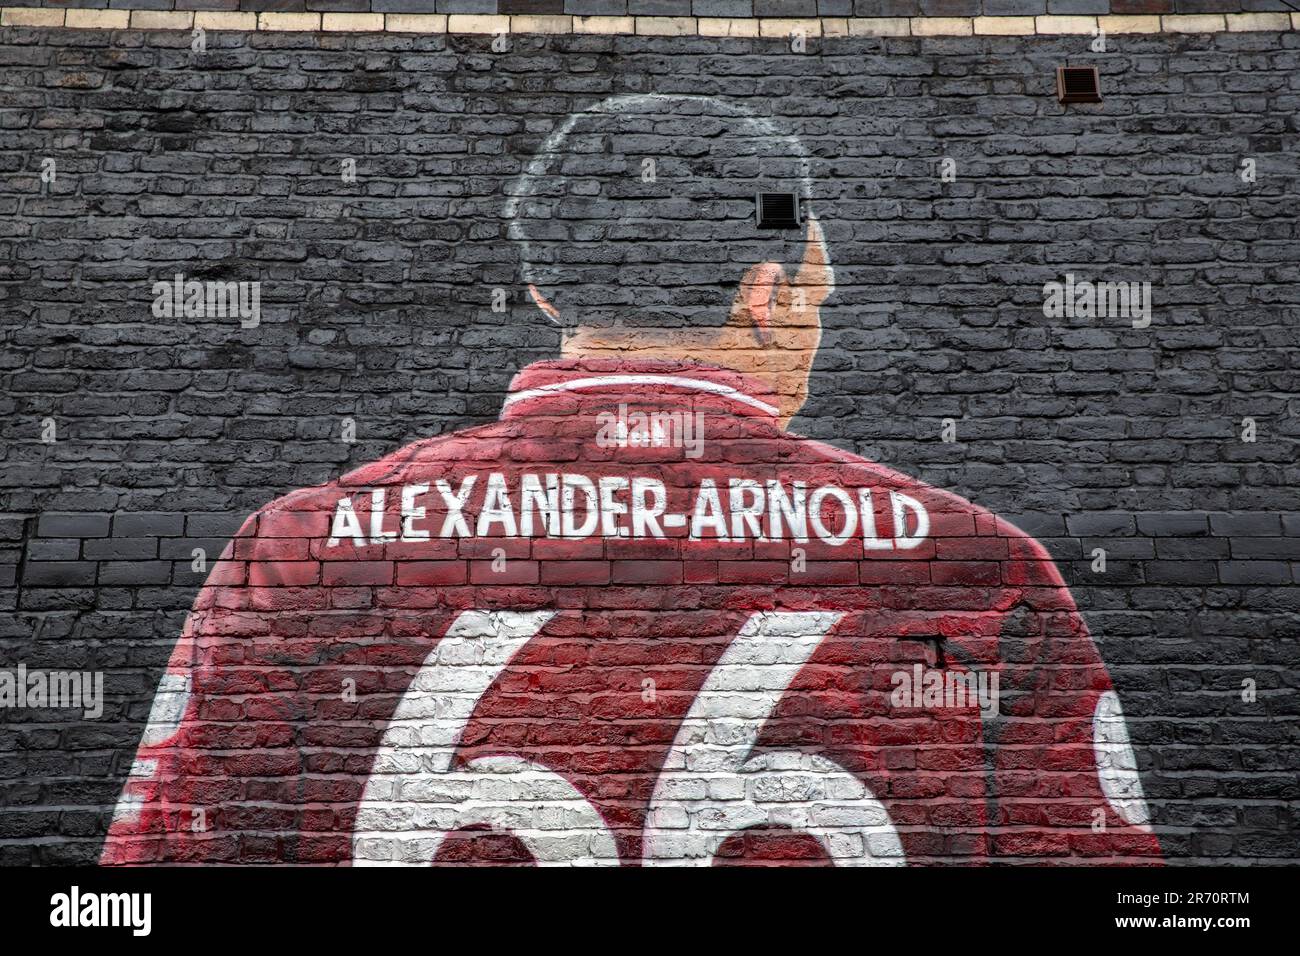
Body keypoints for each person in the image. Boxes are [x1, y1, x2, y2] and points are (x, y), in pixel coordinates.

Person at [102, 95, 1160, 866]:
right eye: (815, 297)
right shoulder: (969, 565)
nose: (815, 329)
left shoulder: (301, 548)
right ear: (765, 292)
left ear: (542, 285)